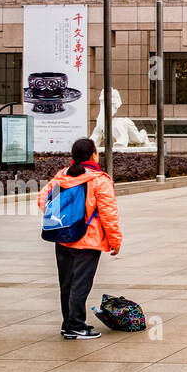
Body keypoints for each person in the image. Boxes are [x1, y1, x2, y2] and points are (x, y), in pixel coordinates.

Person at [37, 137, 122, 340]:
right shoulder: (99, 179)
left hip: (63, 238)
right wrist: (115, 241)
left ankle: (68, 324)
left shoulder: (62, 176)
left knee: (66, 283)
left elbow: (43, 199)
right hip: (88, 239)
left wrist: (63, 219)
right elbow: (108, 214)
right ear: (93, 155)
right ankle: (76, 325)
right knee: (80, 284)